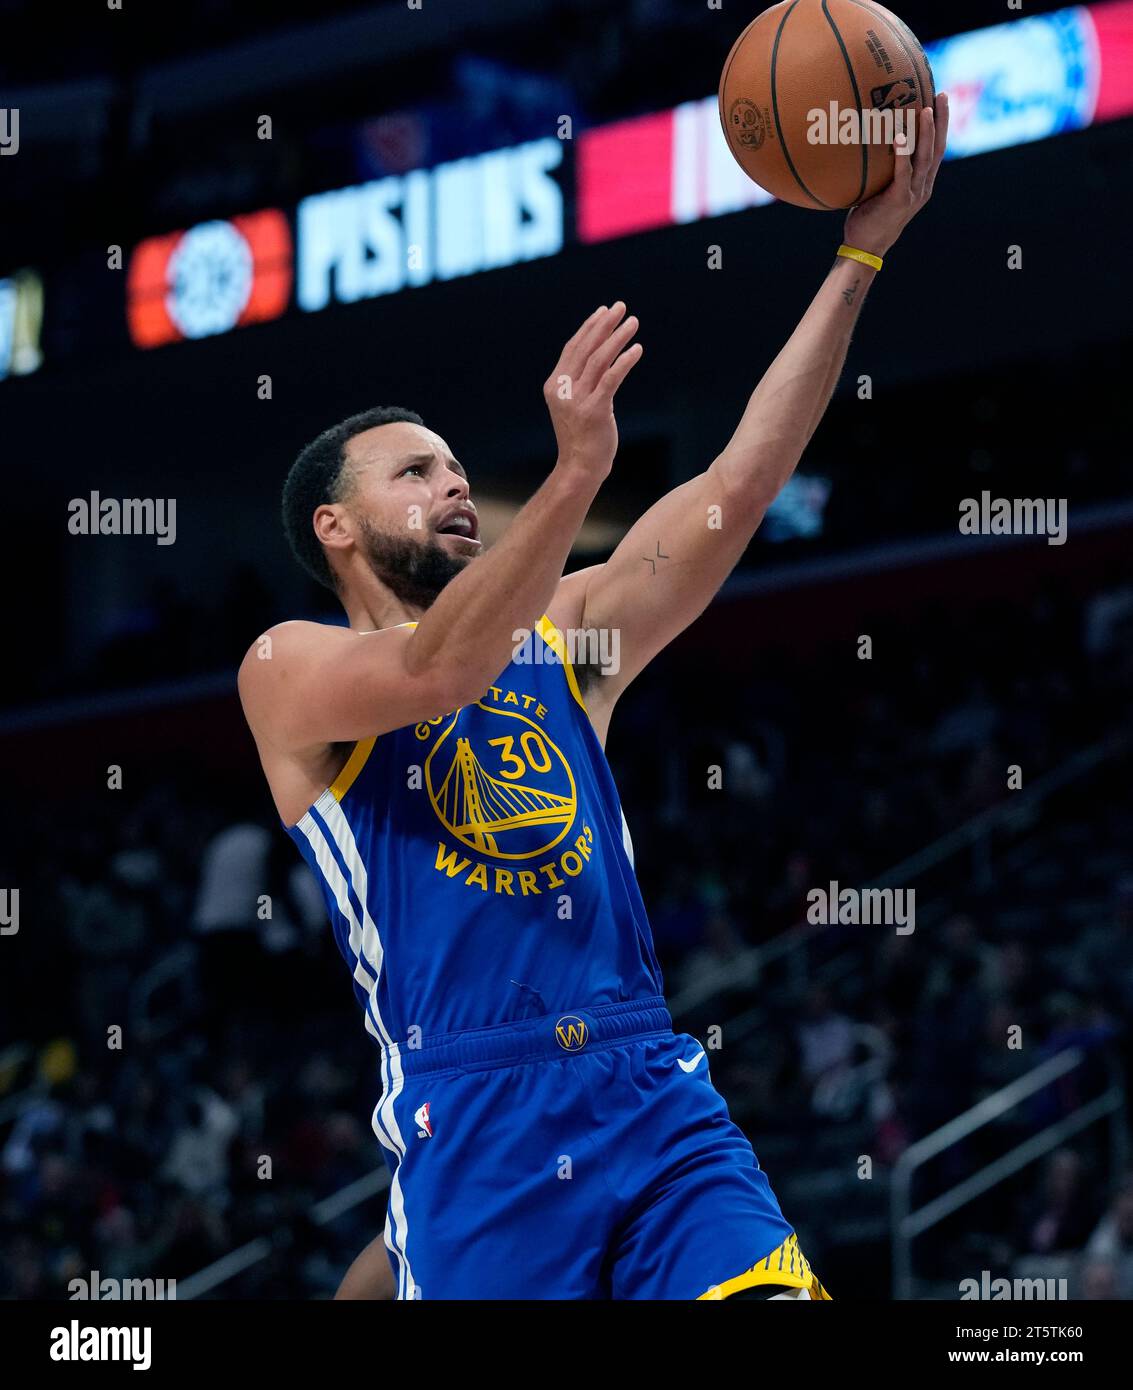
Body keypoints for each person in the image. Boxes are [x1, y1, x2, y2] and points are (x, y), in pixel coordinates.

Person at [238, 98, 949, 1300]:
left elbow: (739, 482)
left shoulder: (566, 633)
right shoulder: (288, 667)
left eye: (461, 469)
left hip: (646, 1085)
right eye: (417, 473)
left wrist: (860, 252)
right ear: (336, 526)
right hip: (475, 1117)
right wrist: (573, 473)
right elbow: (433, 674)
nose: (455, 486)